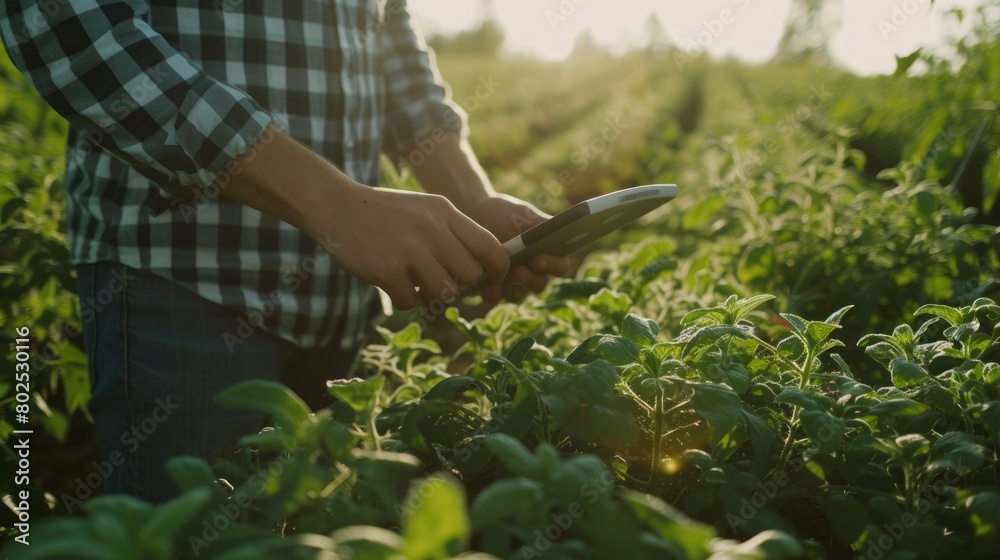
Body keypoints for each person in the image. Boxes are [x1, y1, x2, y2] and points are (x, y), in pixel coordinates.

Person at [0, 0, 569, 504]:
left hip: (345, 299)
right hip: (185, 281)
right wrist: (334, 205)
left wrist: (472, 195)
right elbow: (66, 21)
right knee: (194, 537)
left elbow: (385, 28)